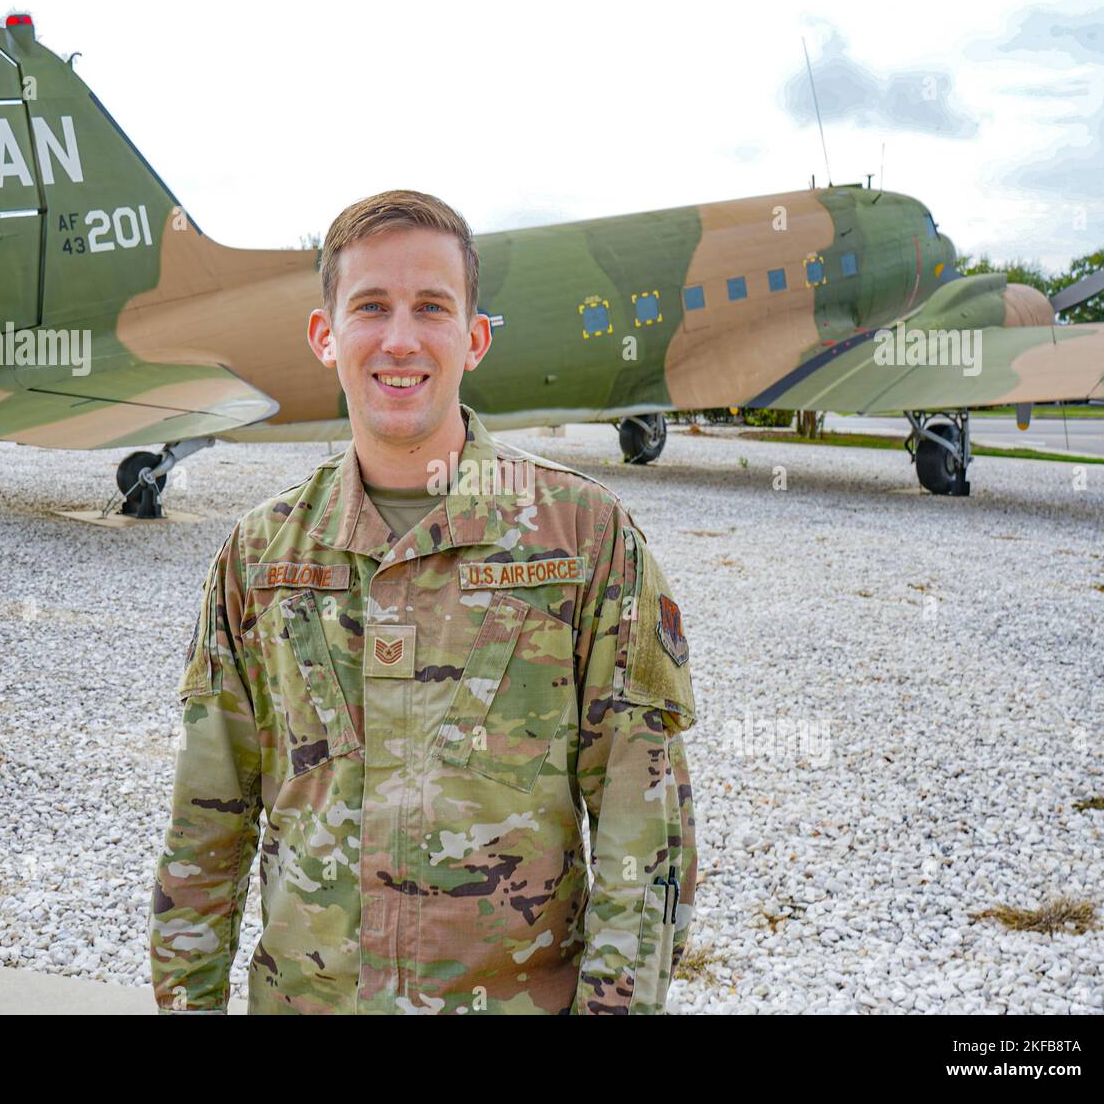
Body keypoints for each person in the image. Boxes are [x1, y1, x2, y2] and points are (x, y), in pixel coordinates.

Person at [149, 189, 698, 1015]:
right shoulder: (260, 558)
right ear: (324, 334)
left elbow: (641, 826)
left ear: (473, 338)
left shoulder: (584, 540)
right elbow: (207, 825)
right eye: (371, 306)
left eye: (431, 308)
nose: (399, 339)